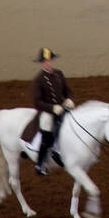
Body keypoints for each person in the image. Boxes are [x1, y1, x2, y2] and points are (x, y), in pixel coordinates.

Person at [31, 47, 74, 176]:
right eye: (46, 61)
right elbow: (37, 102)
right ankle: (40, 163)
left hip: (61, 108)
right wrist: (52, 108)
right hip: (48, 110)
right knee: (47, 131)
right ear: (42, 63)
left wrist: (69, 99)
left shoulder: (59, 74)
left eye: (50, 60)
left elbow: (67, 91)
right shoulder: (38, 80)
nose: (49, 63)